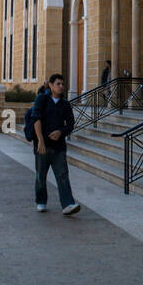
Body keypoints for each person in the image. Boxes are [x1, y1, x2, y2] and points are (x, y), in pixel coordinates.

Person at [33, 73, 80, 215]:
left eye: (62, 84)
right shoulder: (42, 100)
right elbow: (36, 119)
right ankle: (41, 201)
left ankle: (68, 205)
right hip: (42, 146)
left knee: (62, 175)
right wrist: (40, 140)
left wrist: (61, 132)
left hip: (59, 147)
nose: (61, 86)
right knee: (41, 175)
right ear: (51, 85)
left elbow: (70, 124)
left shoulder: (65, 104)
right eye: (58, 84)